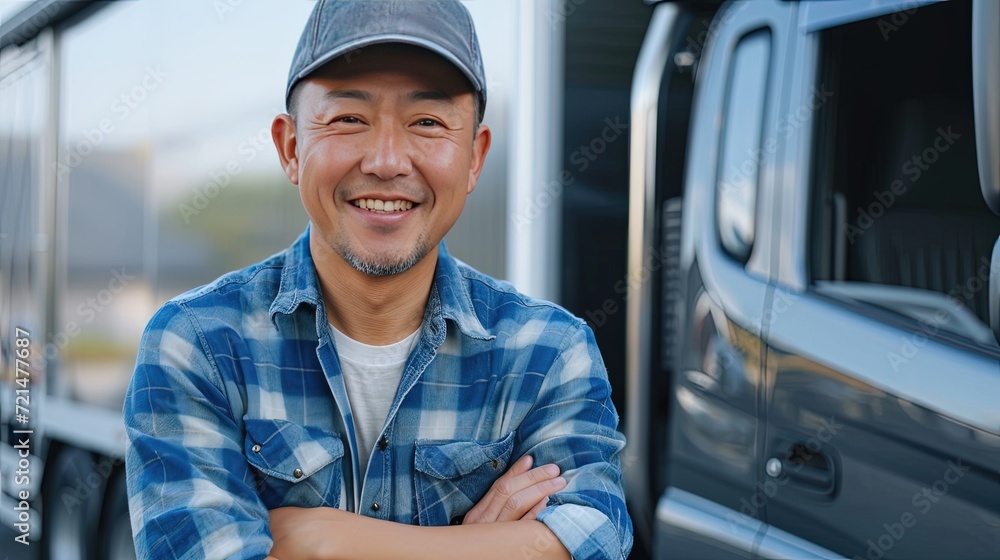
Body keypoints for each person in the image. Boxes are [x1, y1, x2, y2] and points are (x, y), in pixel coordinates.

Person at [124, 1, 631, 559]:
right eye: (349, 119)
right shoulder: (197, 344)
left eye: (428, 123)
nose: (388, 161)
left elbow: (597, 538)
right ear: (291, 147)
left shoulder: (549, 353)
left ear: (474, 157)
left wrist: (323, 543)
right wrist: (484, 547)